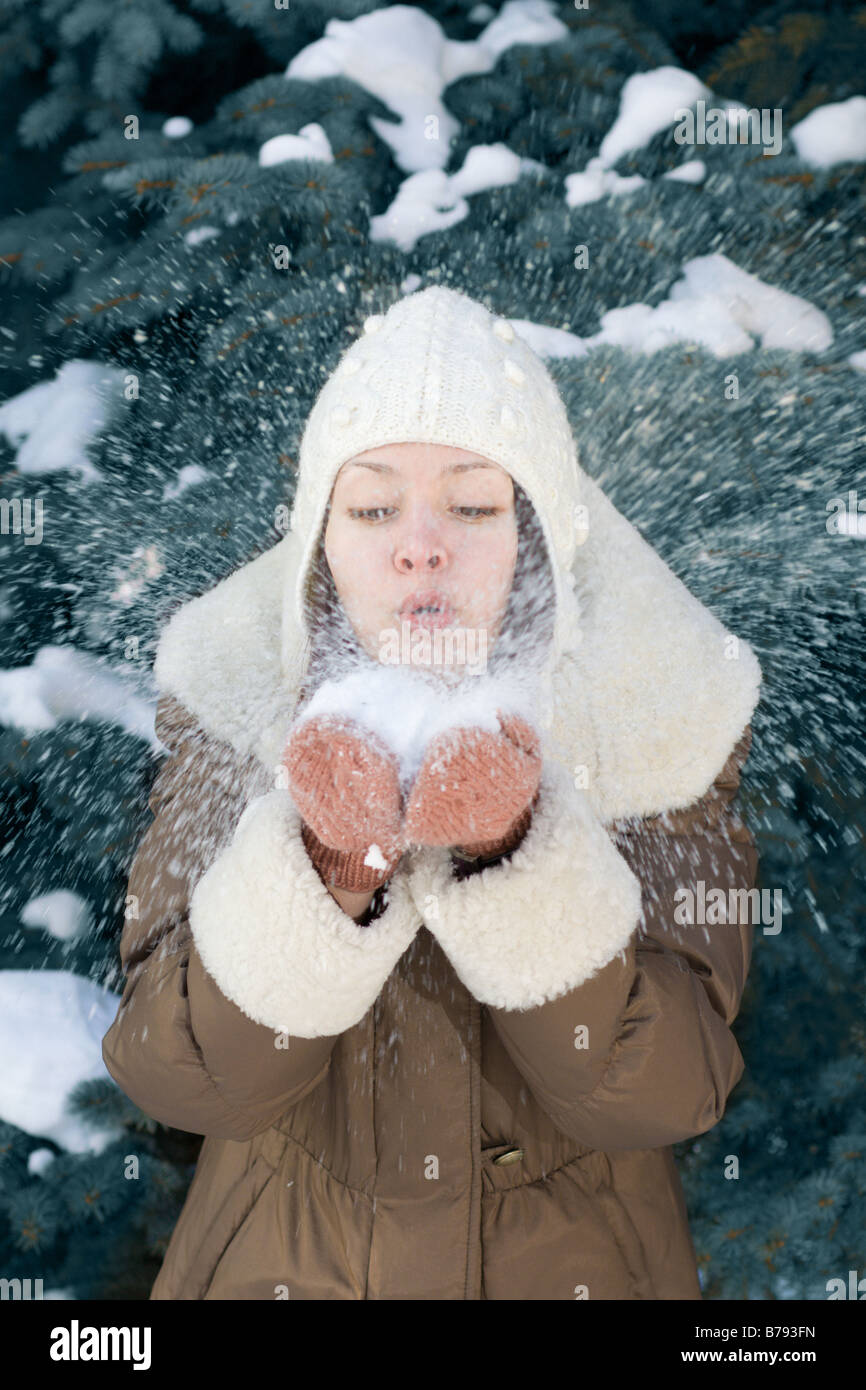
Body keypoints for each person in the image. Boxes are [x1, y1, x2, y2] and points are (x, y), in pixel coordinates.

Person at [102, 285, 762, 1300]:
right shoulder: (234, 703)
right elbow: (180, 1078)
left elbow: (660, 1091)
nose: (420, 545)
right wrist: (326, 868)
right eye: (371, 507)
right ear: (321, 540)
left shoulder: (658, 709)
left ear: (534, 539)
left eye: (471, 504)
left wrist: (512, 852)